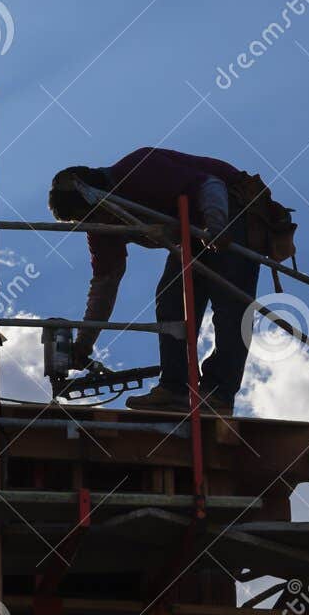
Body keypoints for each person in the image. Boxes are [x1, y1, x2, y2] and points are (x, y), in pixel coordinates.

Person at [47, 148, 263, 416]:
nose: (94, 223)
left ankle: (218, 394)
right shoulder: (100, 225)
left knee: (231, 306)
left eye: (90, 215)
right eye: (84, 221)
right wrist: (85, 342)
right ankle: (175, 388)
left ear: (97, 195)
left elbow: (211, 185)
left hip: (229, 210)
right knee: (171, 301)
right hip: (192, 232)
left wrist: (216, 227)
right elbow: (105, 285)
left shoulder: (139, 168)